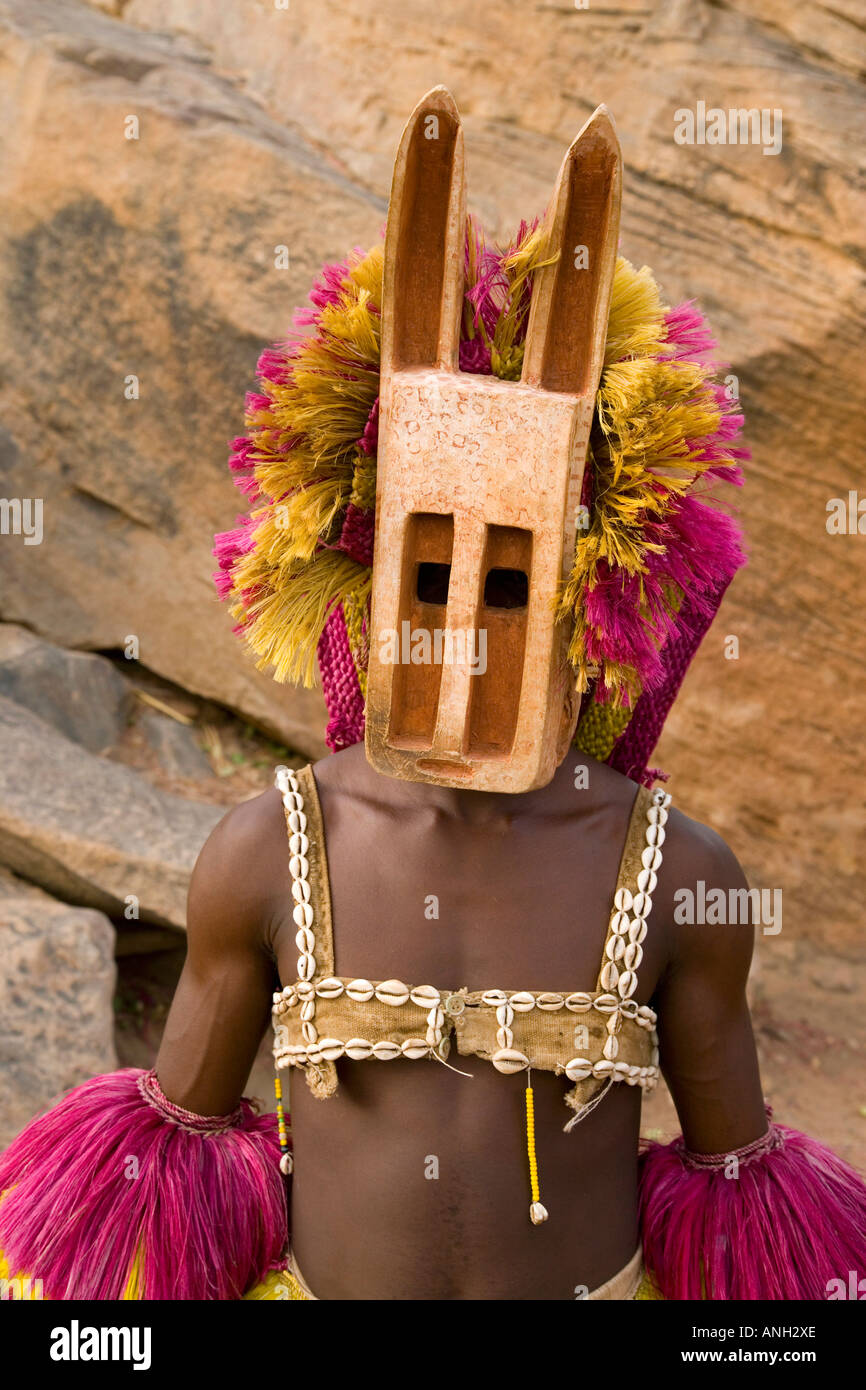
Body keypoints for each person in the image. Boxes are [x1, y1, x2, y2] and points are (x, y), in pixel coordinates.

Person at [1, 89, 863, 1303]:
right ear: (363, 566)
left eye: (511, 578)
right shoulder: (265, 851)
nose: (461, 627)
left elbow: (738, 1188)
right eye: (427, 570)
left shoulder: (678, 873)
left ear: (591, 589)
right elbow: (173, 1162)